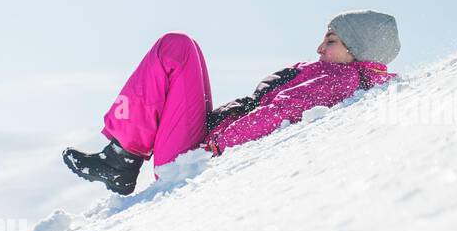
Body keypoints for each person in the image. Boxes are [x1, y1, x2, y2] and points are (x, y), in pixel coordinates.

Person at [62, 11, 401, 194]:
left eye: (330, 40)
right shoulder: (329, 72)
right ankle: (121, 158)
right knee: (182, 48)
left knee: (176, 47)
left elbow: (280, 112)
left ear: (357, 48)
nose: (319, 48)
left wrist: (217, 145)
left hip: (195, 152)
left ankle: (121, 159)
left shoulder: (340, 78)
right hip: (201, 142)